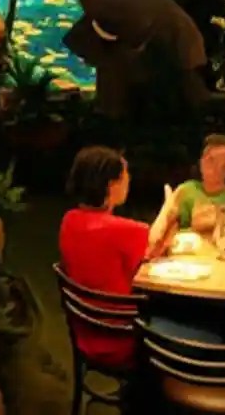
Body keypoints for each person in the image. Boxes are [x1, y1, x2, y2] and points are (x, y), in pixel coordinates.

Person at [57, 145, 180, 368]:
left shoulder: (69, 220)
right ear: (110, 185)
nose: (129, 179)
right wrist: (169, 209)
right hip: (123, 336)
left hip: (86, 332)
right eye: (125, 175)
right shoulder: (122, 230)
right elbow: (158, 244)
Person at [176, 134, 225, 232]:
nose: (206, 163)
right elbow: (175, 230)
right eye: (205, 157)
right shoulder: (185, 190)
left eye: (214, 160)